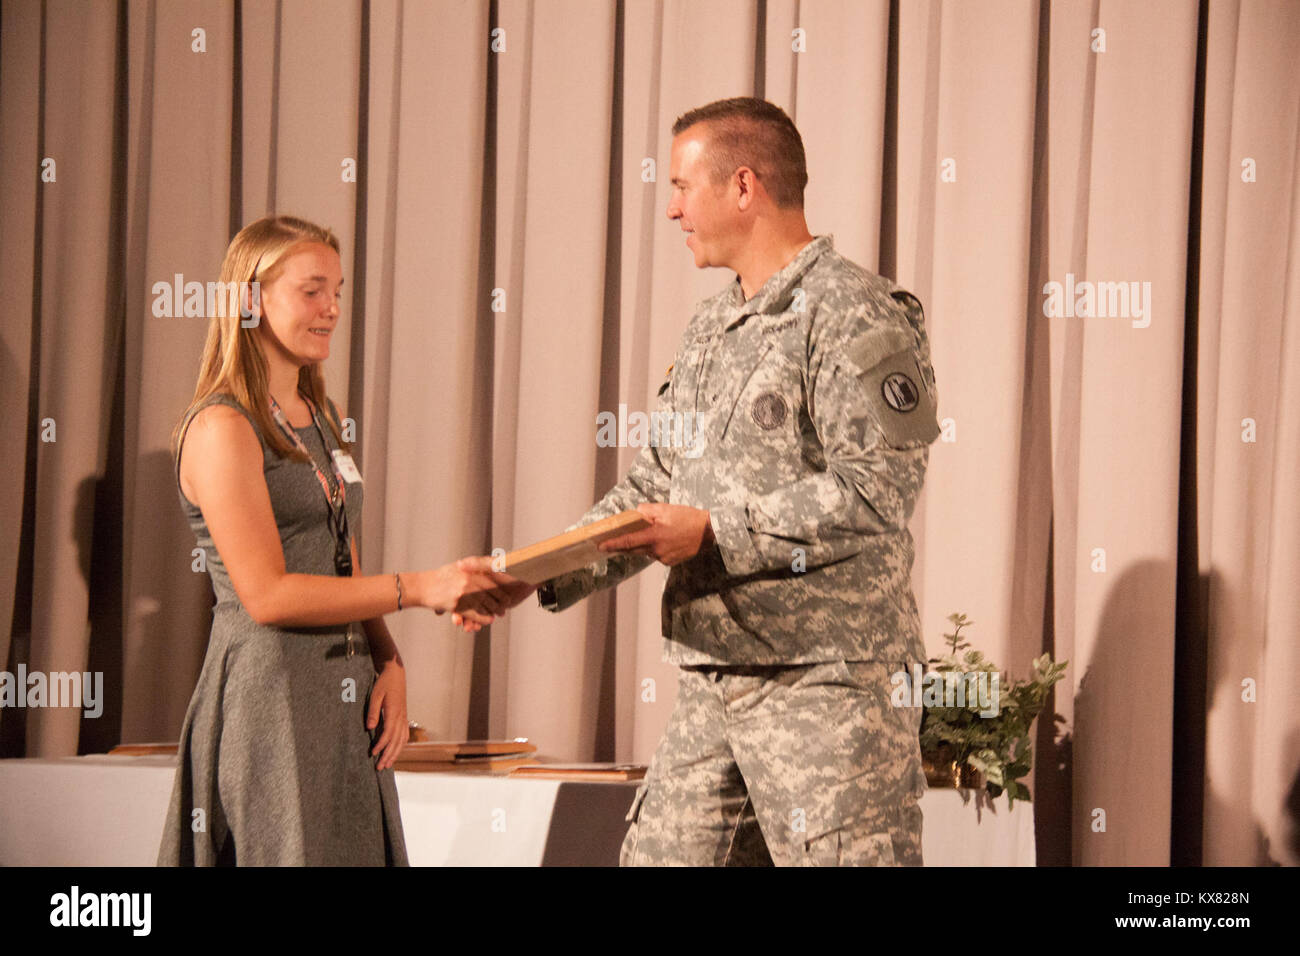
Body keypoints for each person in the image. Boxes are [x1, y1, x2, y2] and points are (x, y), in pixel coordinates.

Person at [534, 98, 941, 865]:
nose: (672, 208)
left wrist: (716, 532)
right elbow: (655, 485)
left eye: (684, 186)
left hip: (828, 684)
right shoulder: (709, 330)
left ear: (744, 186)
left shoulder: (857, 311)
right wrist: (542, 569)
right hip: (716, 676)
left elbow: (877, 490)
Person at [157, 215, 530, 866]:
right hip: (272, 698)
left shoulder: (315, 415)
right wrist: (421, 588)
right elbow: (267, 596)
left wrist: (388, 657)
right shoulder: (221, 425)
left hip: (345, 692)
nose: (332, 308)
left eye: (338, 289)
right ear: (250, 300)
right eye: (311, 290)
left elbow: (341, 553)